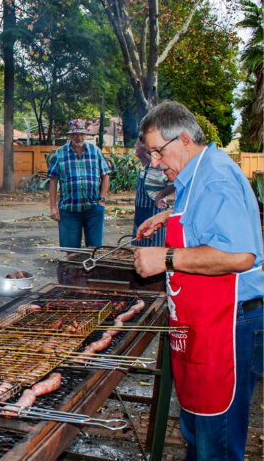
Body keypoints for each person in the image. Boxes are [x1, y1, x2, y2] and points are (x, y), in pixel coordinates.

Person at [134, 101, 263, 461]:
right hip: (205, 323)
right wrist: (168, 217)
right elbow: (205, 219)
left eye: (158, 151)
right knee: (198, 428)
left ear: (185, 139)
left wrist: (166, 257)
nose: (155, 162)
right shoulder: (196, 172)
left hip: (230, 325)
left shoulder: (216, 177)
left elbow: (240, 255)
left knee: (216, 443)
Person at [48, 119, 111, 247]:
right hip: (68, 210)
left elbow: (105, 175)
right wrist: (53, 207)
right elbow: (53, 181)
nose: (78, 137)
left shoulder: (96, 151)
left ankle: (91, 268)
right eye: (75, 134)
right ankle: (72, 268)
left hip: (93, 209)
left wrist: (102, 200)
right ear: (70, 135)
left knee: (94, 250)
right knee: (71, 252)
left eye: (81, 134)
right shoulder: (60, 154)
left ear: (86, 134)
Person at [132, 137, 174, 246]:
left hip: (155, 218)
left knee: (154, 252)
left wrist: (160, 195)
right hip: (140, 216)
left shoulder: (158, 167)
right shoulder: (143, 167)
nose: (134, 148)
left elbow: (175, 183)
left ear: (145, 150)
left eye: (137, 146)